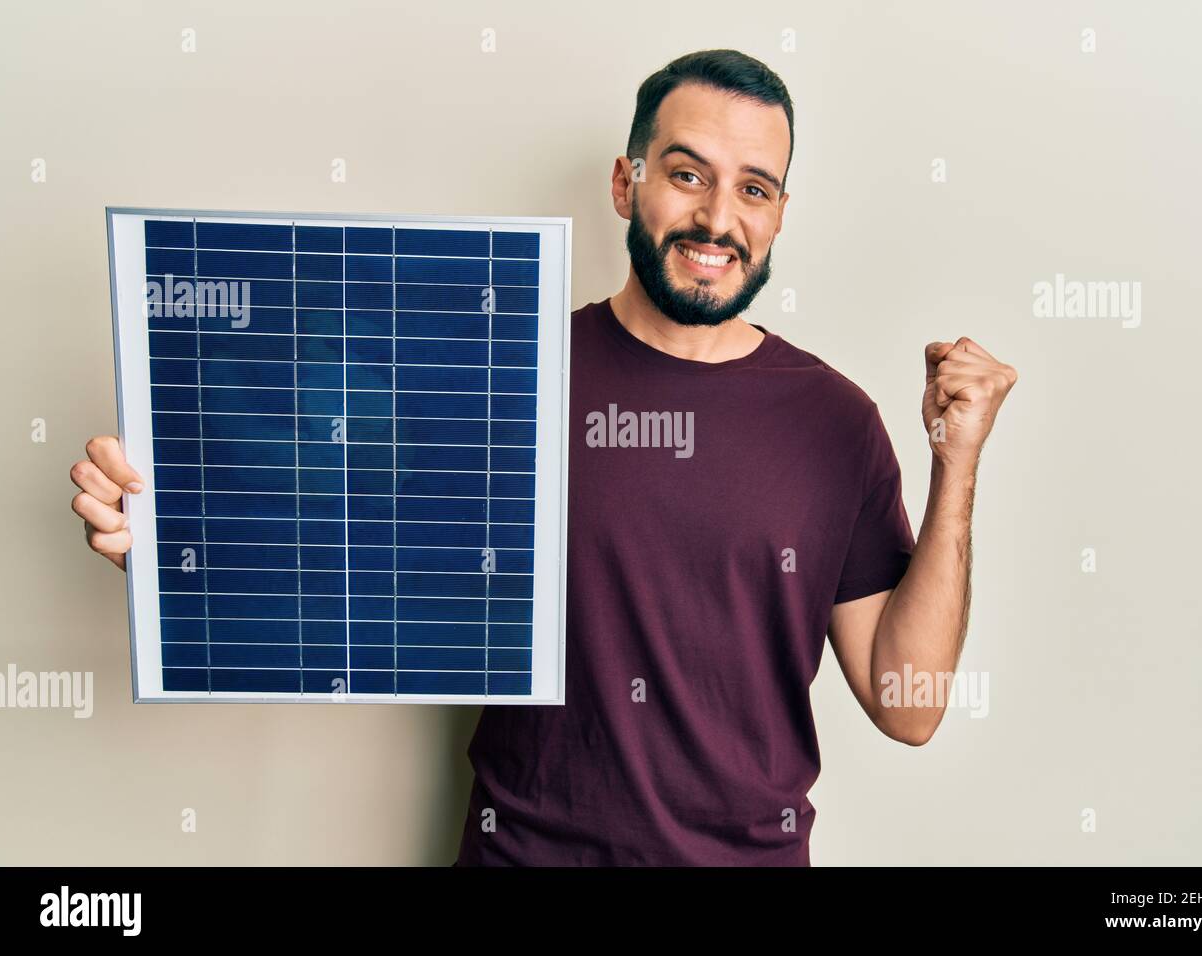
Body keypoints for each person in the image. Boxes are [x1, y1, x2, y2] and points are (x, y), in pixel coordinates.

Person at [71, 49, 1017, 865]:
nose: (717, 217)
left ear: (776, 216)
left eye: (753, 189)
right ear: (625, 184)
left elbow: (909, 706)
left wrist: (958, 465)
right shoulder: (502, 380)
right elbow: (341, 551)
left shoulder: (836, 422)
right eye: (687, 174)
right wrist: (167, 531)